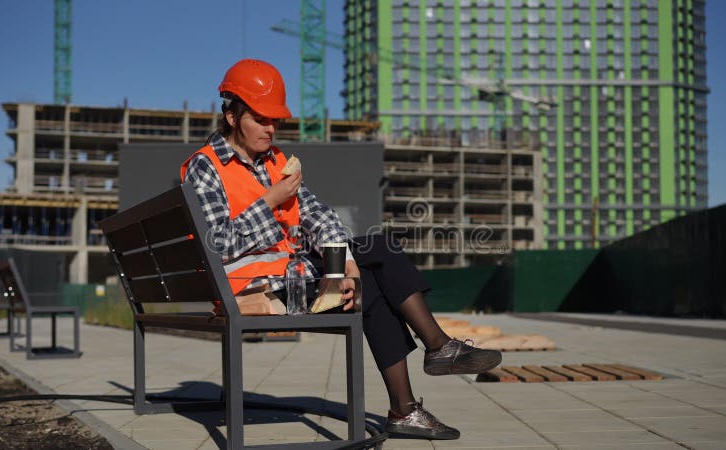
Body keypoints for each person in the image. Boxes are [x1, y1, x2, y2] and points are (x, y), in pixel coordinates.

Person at [181, 59, 502, 440]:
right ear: (232, 116)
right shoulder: (206, 167)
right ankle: (434, 353)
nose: (271, 129)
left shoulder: (275, 162)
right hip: (252, 292)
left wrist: (347, 263)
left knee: (370, 280)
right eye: (260, 119)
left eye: (275, 121)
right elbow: (217, 243)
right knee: (381, 250)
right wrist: (269, 201)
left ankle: (407, 405)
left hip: (290, 278)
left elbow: (318, 215)